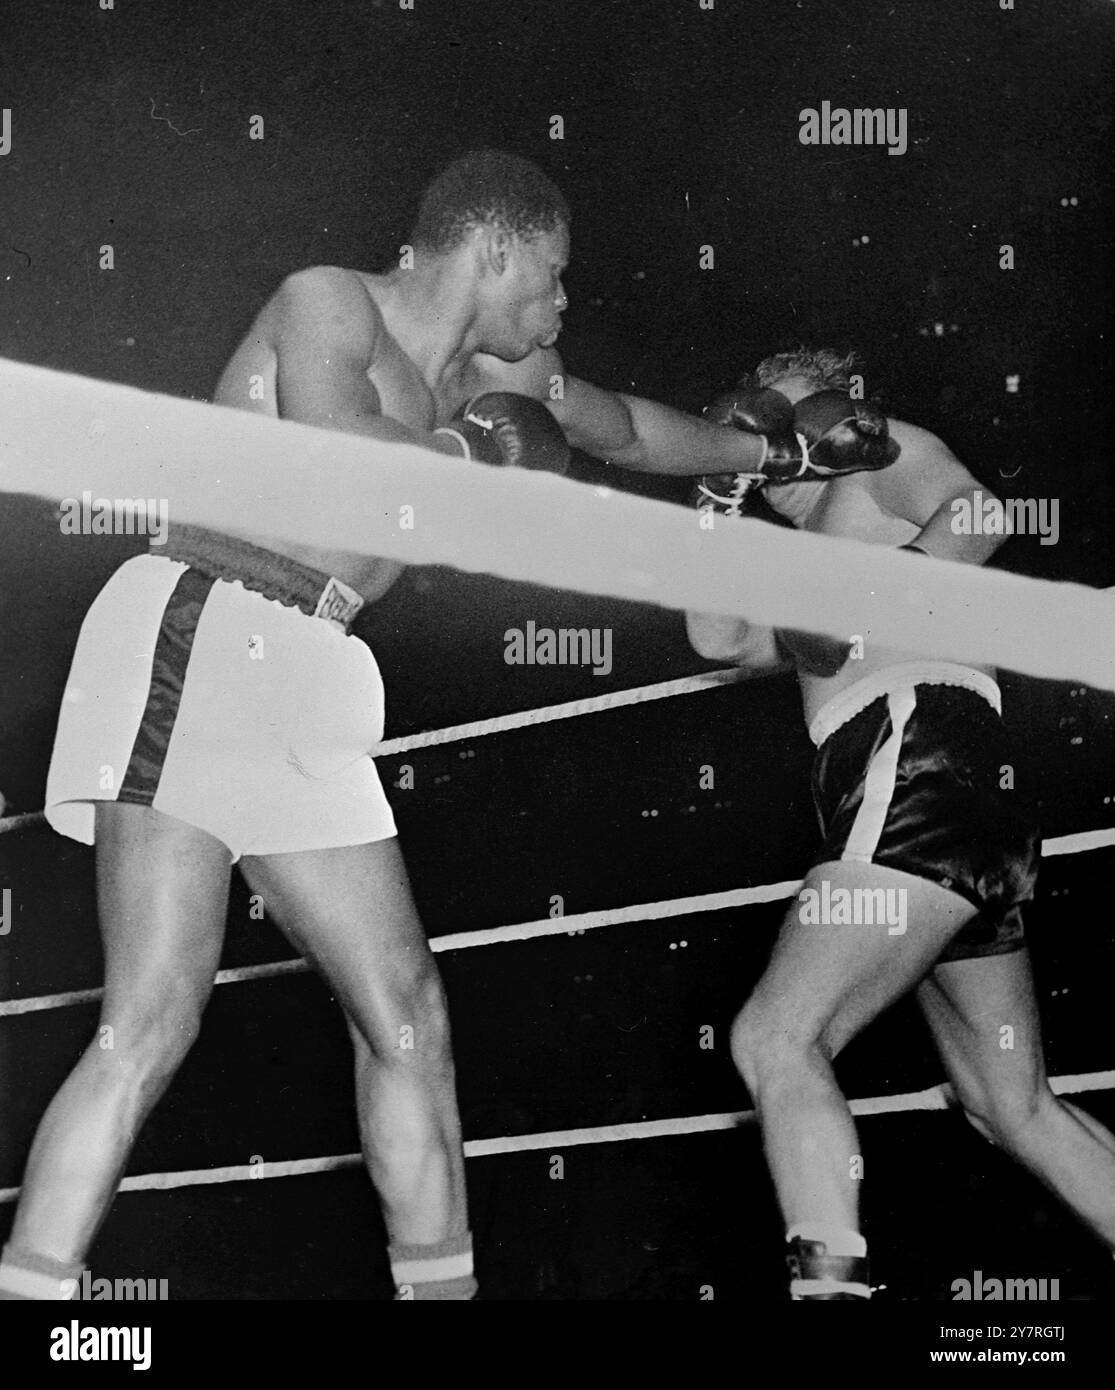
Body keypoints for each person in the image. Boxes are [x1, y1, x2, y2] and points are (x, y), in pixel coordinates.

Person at [0, 156, 893, 1303]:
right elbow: (333, 446)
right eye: (557, 279)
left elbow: (617, 429)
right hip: (206, 617)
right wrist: (473, 451)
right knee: (151, 1016)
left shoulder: (490, 369)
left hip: (311, 662)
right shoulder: (329, 298)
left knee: (409, 1017)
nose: (564, 307)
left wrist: (770, 450)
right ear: (498, 248)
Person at [686, 347, 1115, 1299]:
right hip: (939, 807)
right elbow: (719, 637)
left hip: (915, 759)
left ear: (840, 411)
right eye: (751, 423)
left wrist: (878, 591)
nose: (769, 438)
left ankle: (828, 1291)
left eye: (784, 414)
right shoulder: (802, 561)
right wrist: (712, 503)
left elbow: (979, 515)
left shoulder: (876, 466)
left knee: (772, 1039)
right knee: (1009, 1106)